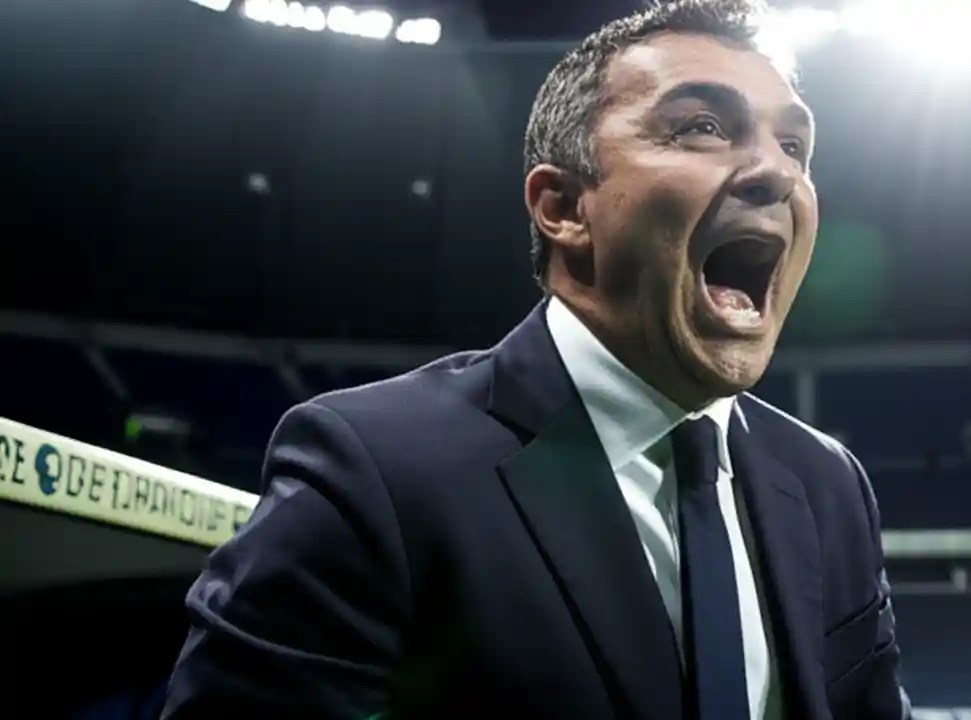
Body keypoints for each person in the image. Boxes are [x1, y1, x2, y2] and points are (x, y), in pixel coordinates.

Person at [161, 0, 910, 717]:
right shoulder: (376, 471)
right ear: (562, 208)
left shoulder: (826, 484)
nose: (777, 174)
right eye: (705, 127)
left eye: (793, 146)